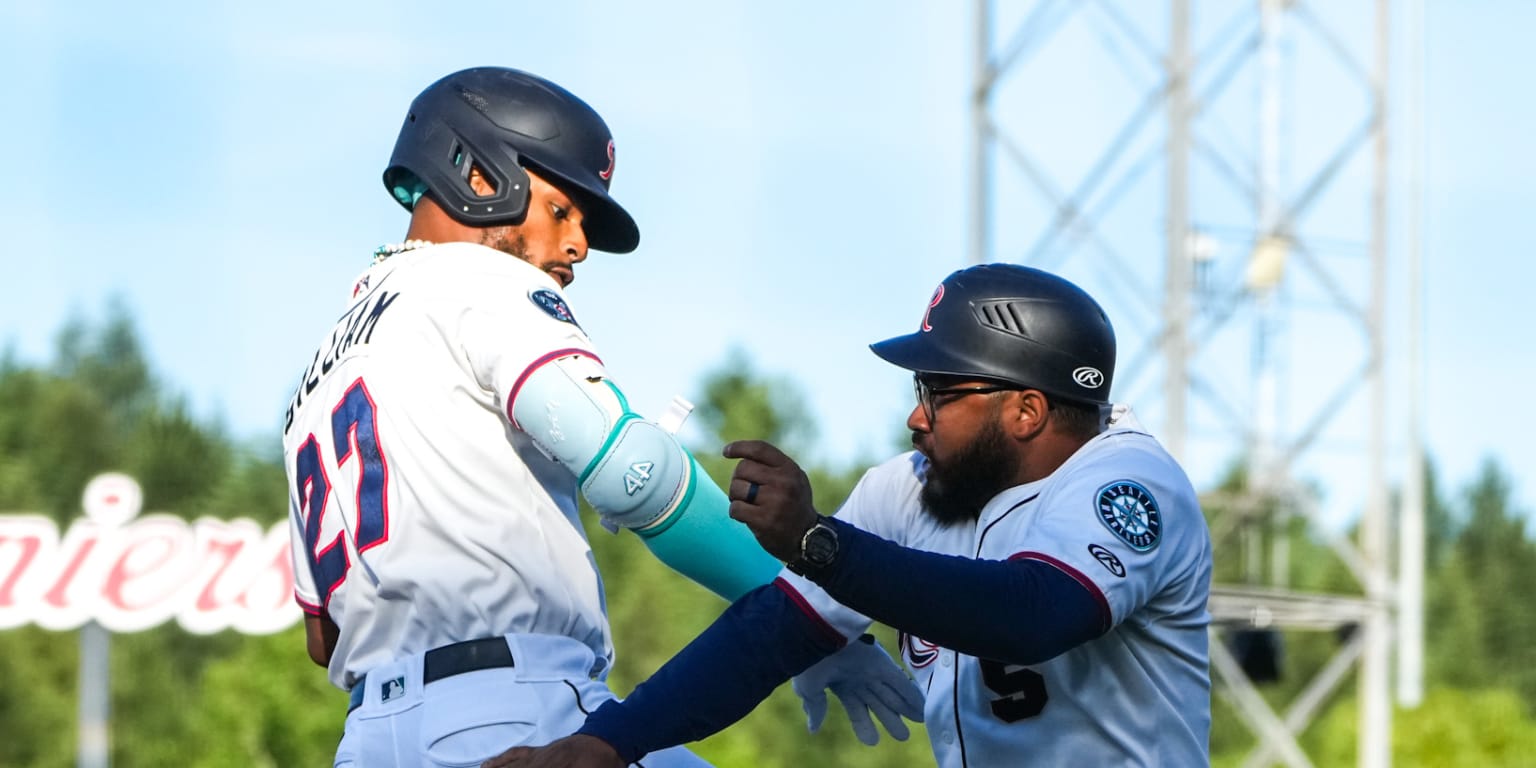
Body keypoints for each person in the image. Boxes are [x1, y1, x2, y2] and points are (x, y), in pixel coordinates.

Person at [281, 66, 921, 768]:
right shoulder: (477, 277)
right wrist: (805, 622)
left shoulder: (317, 374)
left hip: (369, 739)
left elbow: (325, 641)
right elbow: (633, 475)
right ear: (477, 175)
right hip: (515, 714)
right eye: (563, 210)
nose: (578, 244)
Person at [483, 263, 1215, 768]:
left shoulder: (1128, 481)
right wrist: (609, 743)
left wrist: (815, 541)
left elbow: (1034, 614)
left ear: (1025, 410)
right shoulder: (907, 489)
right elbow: (771, 633)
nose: (914, 416)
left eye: (938, 391)